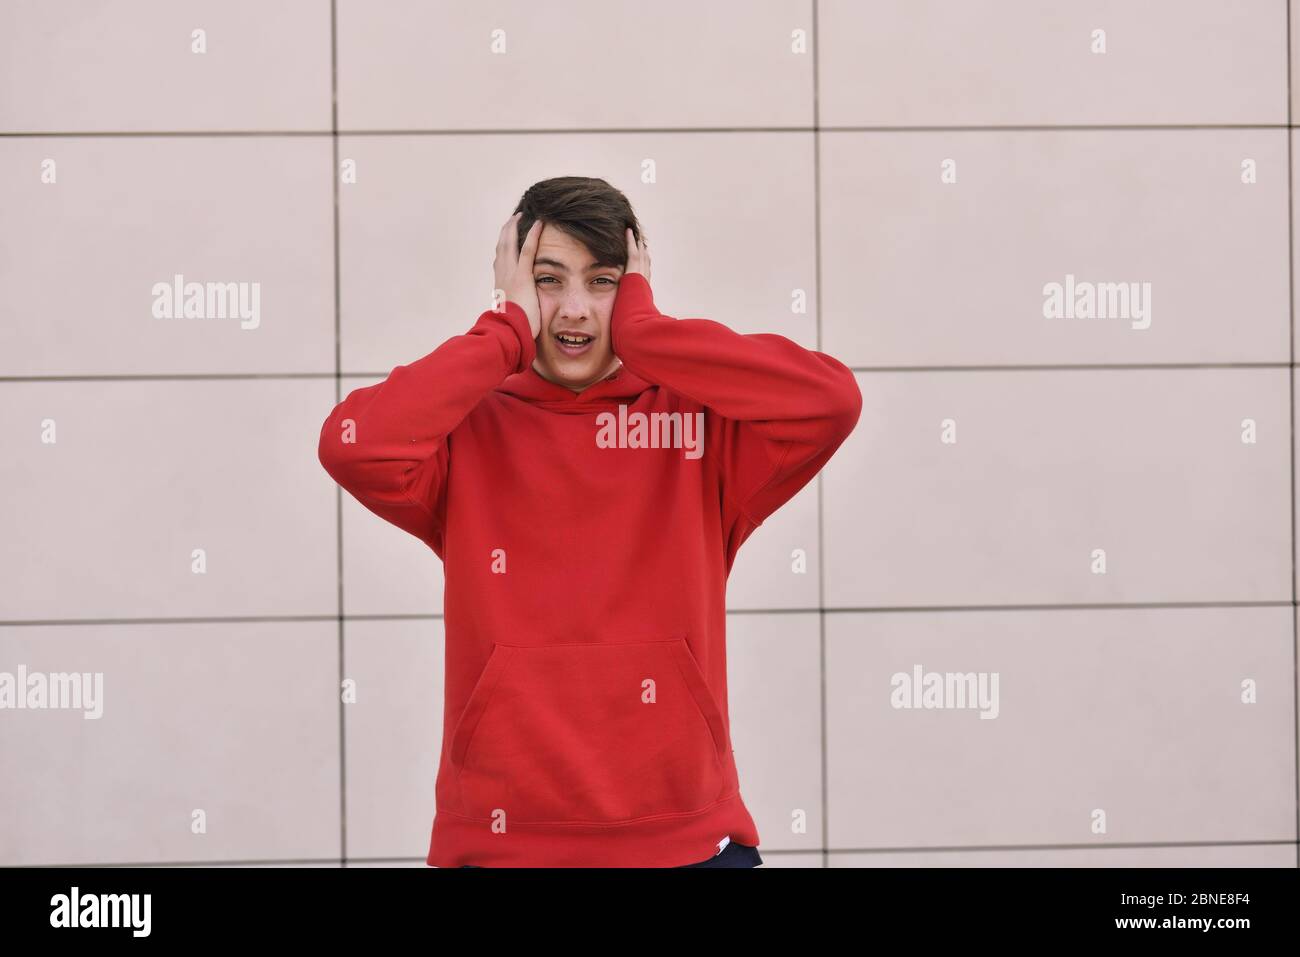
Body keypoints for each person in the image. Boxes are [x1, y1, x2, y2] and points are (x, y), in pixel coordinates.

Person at [317, 177, 862, 867]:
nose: (574, 309)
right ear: (512, 285)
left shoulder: (695, 427)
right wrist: (505, 334)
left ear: (633, 287)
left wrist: (648, 334)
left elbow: (831, 400)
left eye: (602, 281)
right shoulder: (463, 430)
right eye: (548, 280)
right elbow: (352, 443)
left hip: (688, 844)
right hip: (501, 848)